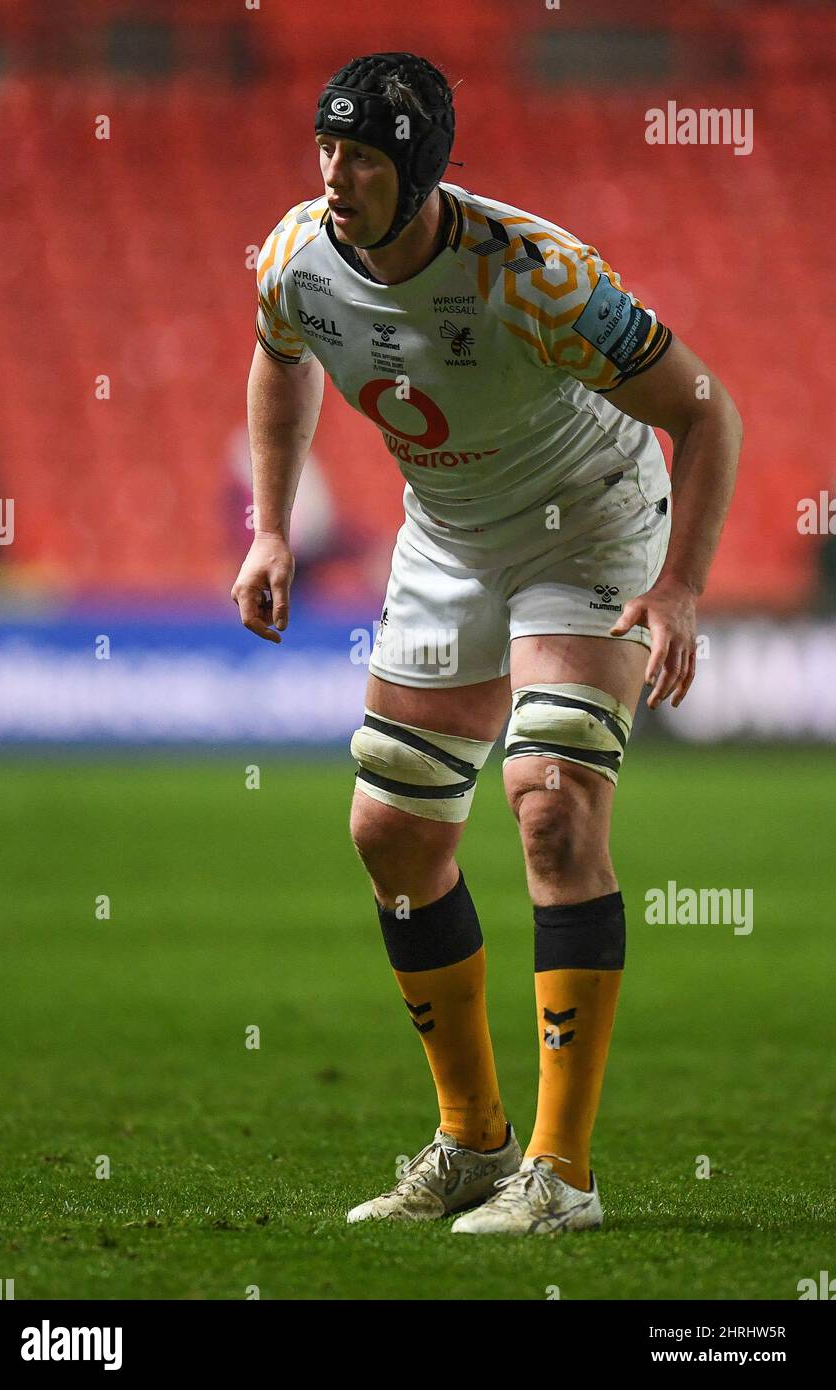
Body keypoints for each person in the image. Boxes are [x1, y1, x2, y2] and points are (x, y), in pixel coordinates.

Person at [231, 52, 742, 1234]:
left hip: (591, 523)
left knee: (550, 799)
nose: (334, 173)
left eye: (361, 156)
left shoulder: (538, 276)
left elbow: (705, 408)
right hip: (450, 537)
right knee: (392, 836)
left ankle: (561, 1175)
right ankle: (471, 1143)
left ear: (416, 173)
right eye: (327, 146)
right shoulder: (296, 255)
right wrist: (271, 527)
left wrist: (680, 587)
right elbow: (279, 353)